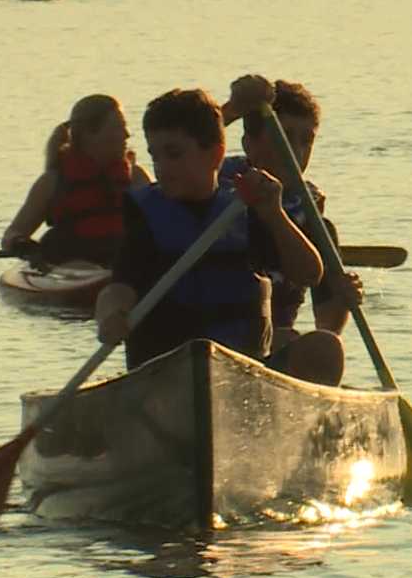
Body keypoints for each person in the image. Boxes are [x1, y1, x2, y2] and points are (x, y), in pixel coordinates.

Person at [95, 89, 327, 384]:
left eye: (174, 154)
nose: (162, 168)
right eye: (156, 155)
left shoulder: (246, 211)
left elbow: (309, 273)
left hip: (242, 374)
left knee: (324, 348)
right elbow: (118, 287)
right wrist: (110, 316)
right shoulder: (145, 217)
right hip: (164, 373)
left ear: (215, 154)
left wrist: (274, 215)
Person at [218, 76, 364, 384]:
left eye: (305, 140)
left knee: (322, 346)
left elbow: (329, 328)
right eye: (283, 137)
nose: (295, 151)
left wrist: (342, 297)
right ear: (250, 144)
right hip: (213, 349)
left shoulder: (311, 215)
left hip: (272, 354)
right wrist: (234, 110)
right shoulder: (215, 183)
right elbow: (192, 145)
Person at [2, 95, 151, 268]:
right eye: (118, 128)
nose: (126, 135)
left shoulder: (136, 177)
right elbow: (12, 234)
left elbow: (160, 224)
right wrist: (24, 246)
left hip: (122, 264)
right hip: (70, 265)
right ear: (89, 134)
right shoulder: (52, 182)